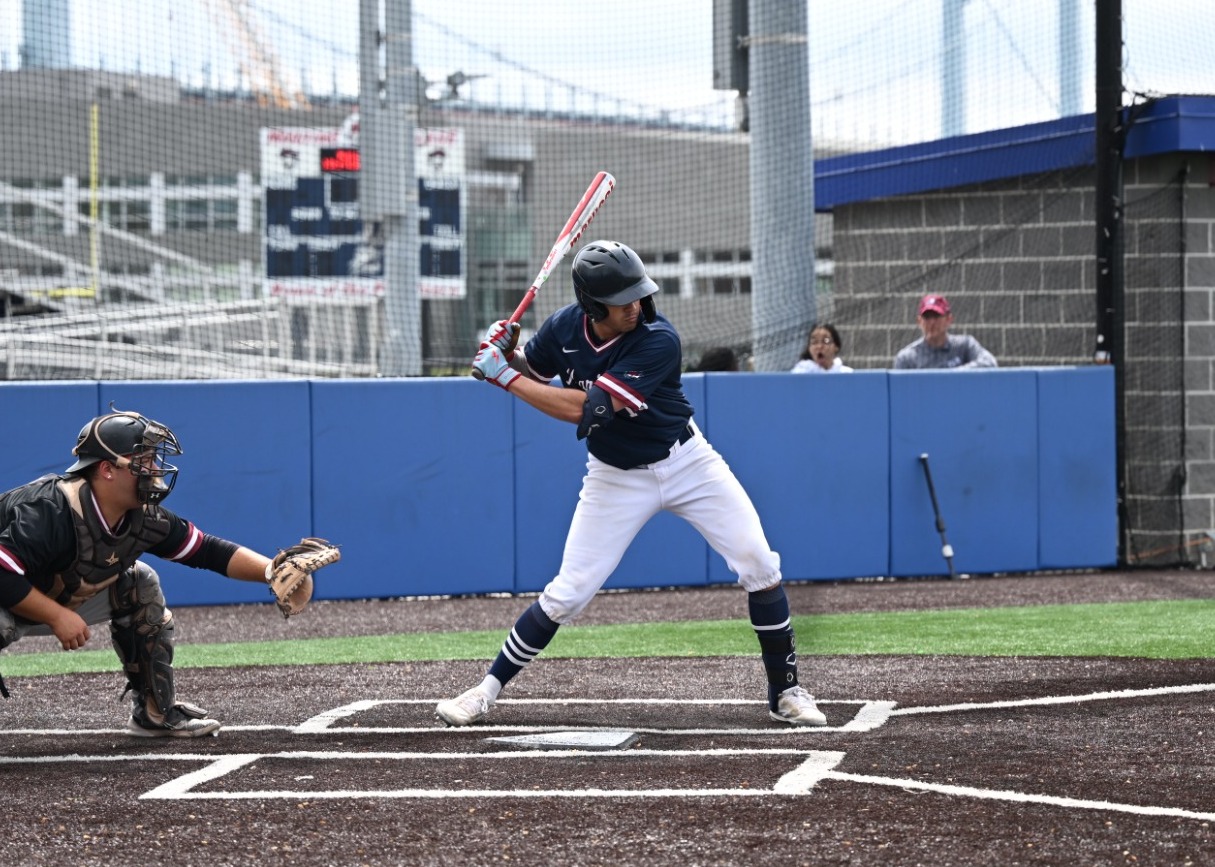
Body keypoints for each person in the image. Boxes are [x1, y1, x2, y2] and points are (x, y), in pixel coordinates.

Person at [446, 240, 827, 728]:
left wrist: (502, 377)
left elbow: (583, 410)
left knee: (758, 562)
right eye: (622, 298)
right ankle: (484, 692)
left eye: (638, 293)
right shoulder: (564, 327)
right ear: (591, 304)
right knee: (569, 592)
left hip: (688, 463)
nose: (635, 304)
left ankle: (786, 692)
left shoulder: (657, 339)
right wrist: (506, 352)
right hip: (615, 477)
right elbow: (535, 372)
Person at [0, 409, 326, 738]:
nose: (155, 469)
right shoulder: (48, 510)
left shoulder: (142, 517)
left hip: (40, 595)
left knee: (140, 583)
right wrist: (56, 616)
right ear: (107, 469)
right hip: (9, 597)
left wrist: (271, 571)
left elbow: (206, 550)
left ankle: (154, 713)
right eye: (143, 459)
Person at [894, 294, 998, 370]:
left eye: (936, 316)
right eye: (927, 317)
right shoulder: (907, 357)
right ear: (919, 321)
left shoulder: (964, 345)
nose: (932, 322)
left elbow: (990, 363)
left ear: (949, 319)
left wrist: (952, 374)